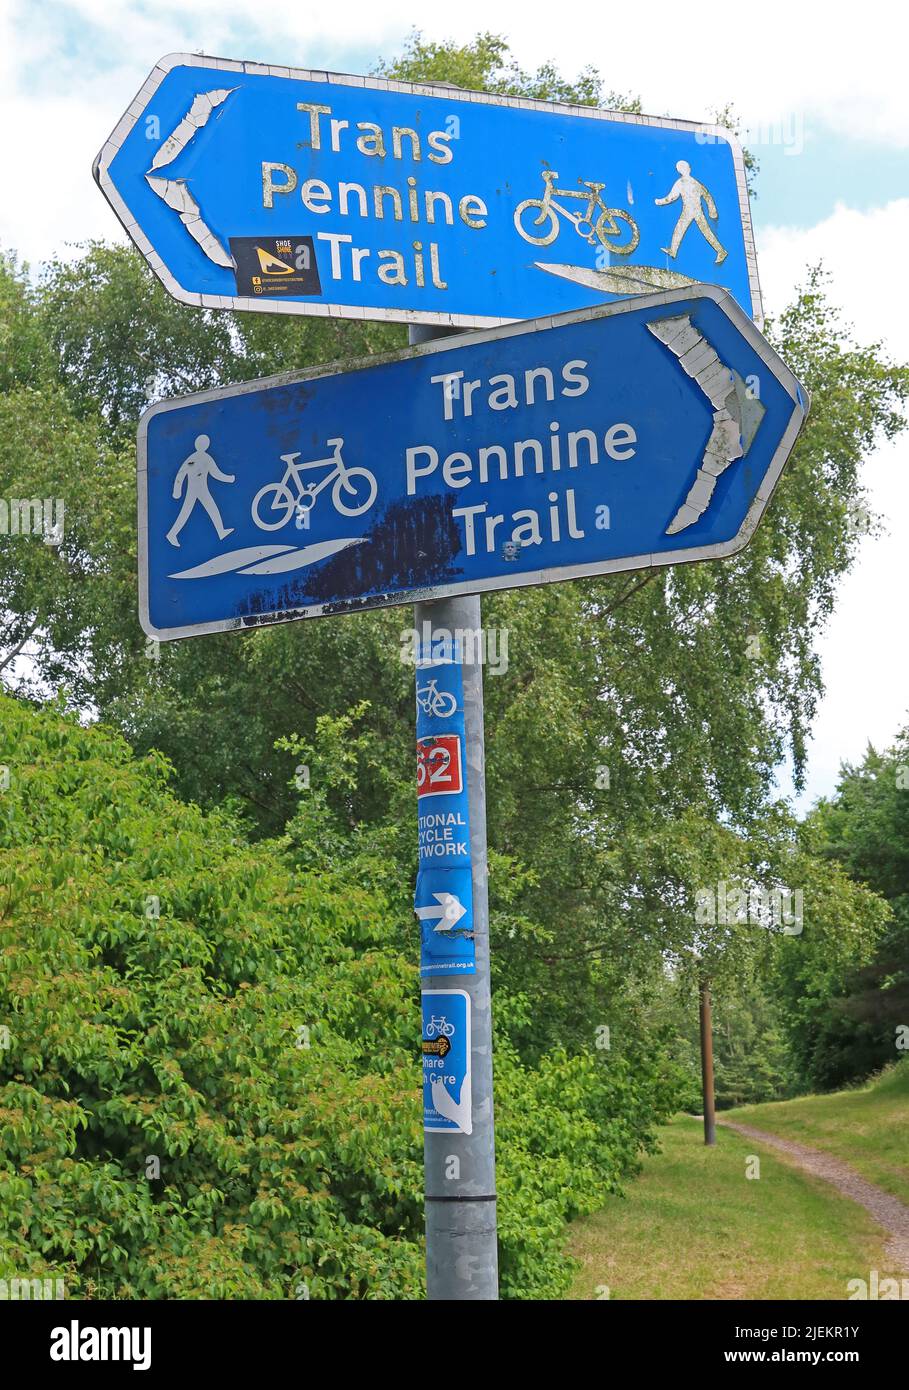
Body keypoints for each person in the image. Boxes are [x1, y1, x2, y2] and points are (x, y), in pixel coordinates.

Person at [166, 435, 235, 547]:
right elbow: (181, 474)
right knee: (186, 512)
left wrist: (177, 490)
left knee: (209, 508)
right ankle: (172, 534)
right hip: (194, 490)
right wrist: (230, 478)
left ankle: (221, 531)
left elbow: (181, 474)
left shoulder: (200, 457)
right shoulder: (202, 458)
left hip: (201, 489)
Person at [655, 160, 727, 264]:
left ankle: (721, 251)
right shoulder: (694, 182)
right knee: (690, 229)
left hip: (691, 210)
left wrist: (659, 202)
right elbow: (707, 196)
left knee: (685, 229)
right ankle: (673, 251)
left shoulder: (682, 182)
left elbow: (672, 197)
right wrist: (712, 211)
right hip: (693, 210)